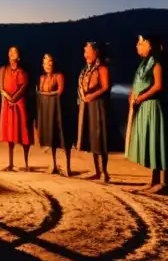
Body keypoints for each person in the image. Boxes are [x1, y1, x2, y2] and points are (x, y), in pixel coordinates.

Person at [126, 34, 168, 194]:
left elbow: (158, 86)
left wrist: (141, 97)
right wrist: (132, 94)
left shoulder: (158, 63)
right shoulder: (145, 64)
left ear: (150, 45)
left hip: (156, 107)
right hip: (146, 107)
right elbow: (138, 83)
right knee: (152, 144)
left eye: (140, 43)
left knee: (160, 142)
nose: (137, 46)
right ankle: (154, 181)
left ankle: (165, 184)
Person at [78, 41, 112, 183]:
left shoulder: (102, 68)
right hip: (87, 105)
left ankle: (104, 172)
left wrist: (92, 96)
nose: (85, 52)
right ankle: (96, 171)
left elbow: (105, 87)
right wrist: (82, 96)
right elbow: (81, 85)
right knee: (92, 137)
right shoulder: (86, 69)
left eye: (88, 49)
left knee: (100, 138)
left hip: (98, 105)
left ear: (95, 52)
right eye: (85, 49)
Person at [36, 53, 74, 176]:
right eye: (45, 62)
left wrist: (45, 94)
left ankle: (67, 166)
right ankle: (53, 164)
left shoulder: (59, 76)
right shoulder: (42, 78)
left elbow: (59, 91)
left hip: (58, 110)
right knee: (50, 136)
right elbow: (39, 92)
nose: (48, 65)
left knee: (62, 135)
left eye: (50, 61)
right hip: (47, 110)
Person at [0, 46, 31, 171]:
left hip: (19, 103)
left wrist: (14, 99)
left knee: (23, 131)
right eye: (10, 51)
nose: (12, 53)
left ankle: (26, 163)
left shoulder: (23, 72)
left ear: (19, 56)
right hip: (7, 103)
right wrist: (8, 98)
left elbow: (23, 87)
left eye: (15, 51)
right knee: (9, 132)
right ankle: (10, 163)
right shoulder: (3, 69)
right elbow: (1, 88)